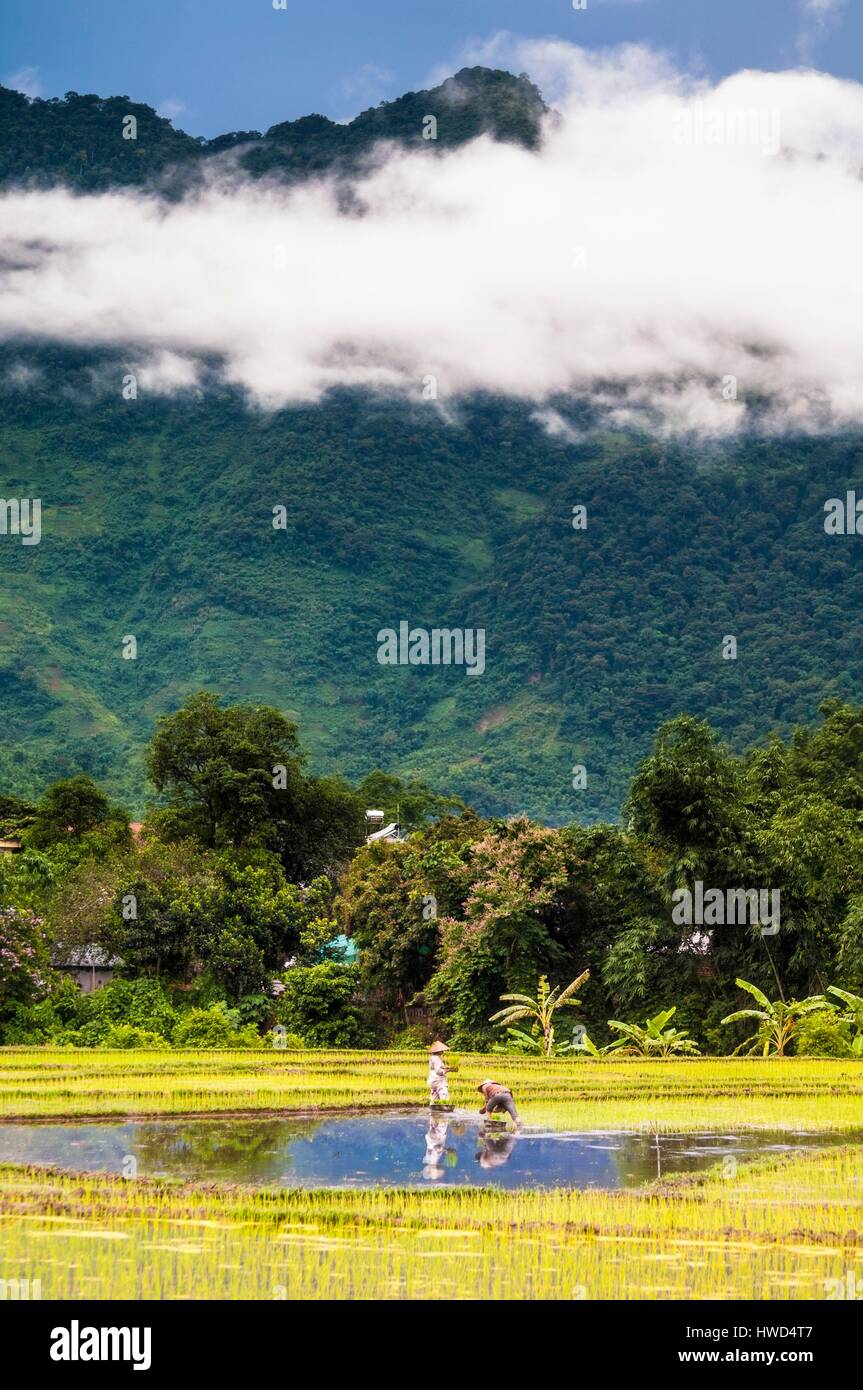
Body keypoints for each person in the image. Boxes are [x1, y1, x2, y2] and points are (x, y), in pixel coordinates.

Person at [427, 1040, 452, 1105]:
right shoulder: (436, 1058)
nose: (443, 1051)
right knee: (444, 1094)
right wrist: (448, 1070)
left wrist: (446, 1067)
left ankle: (433, 1109)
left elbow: (436, 1068)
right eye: (442, 1050)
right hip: (438, 1080)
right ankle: (444, 1107)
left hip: (432, 1080)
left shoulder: (432, 1057)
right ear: (438, 1051)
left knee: (434, 1095)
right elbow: (438, 1071)